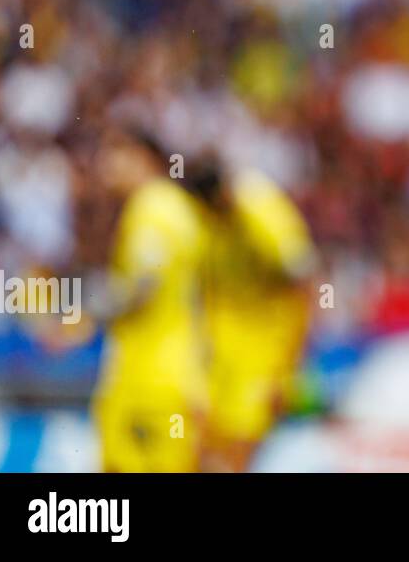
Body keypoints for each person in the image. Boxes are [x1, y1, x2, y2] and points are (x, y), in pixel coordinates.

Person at [92, 127, 210, 472]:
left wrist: (84, 313)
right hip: (177, 373)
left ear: (142, 157)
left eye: (114, 153)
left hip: (150, 381)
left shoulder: (152, 208)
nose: (104, 164)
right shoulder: (180, 207)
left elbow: (143, 286)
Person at [191, 159, 317, 473]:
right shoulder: (200, 217)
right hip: (217, 354)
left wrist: (291, 368)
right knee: (203, 451)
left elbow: (305, 285)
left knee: (238, 450)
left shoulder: (264, 213)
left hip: (264, 355)